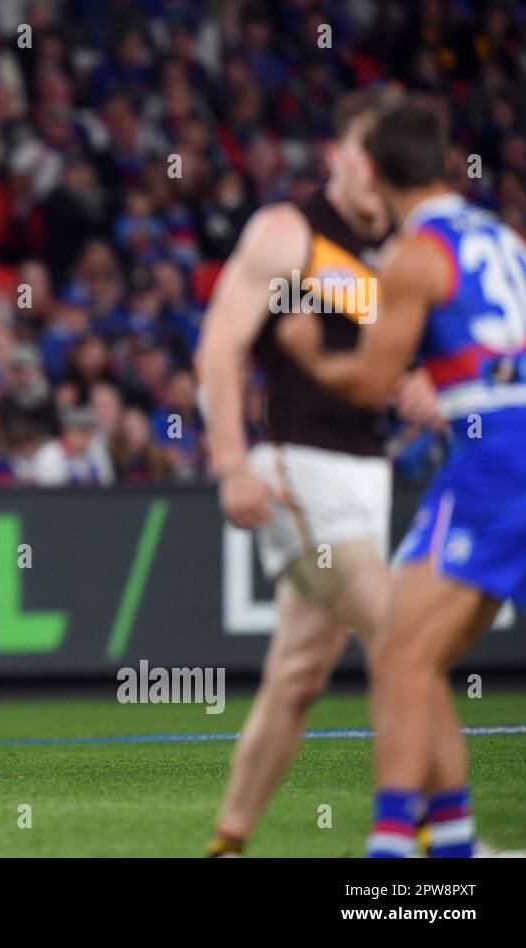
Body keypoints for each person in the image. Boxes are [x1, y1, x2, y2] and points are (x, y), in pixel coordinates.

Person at [194, 87, 447, 854]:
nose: (375, 175)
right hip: (294, 470)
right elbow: (219, 348)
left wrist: (431, 386)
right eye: (366, 157)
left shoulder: (409, 252)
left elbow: (433, 360)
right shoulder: (288, 232)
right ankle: (449, 840)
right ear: (340, 156)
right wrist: (232, 463)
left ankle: (228, 840)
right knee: (404, 638)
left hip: (366, 475)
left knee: (300, 675)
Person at [278, 94, 526, 857]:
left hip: (496, 465)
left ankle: (392, 851)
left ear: (378, 171)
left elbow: (371, 380)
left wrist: (310, 352)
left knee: (396, 653)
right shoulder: (505, 238)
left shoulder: (416, 253)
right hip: (505, 438)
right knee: (420, 657)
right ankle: (451, 845)